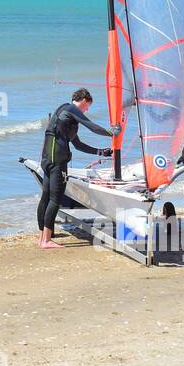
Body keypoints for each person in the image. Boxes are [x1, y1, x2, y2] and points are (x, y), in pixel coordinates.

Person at [37, 89, 119, 249]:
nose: (87, 109)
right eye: (87, 106)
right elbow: (92, 127)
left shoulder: (64, 114)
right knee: (55, 198)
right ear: (83, 99)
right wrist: (112, 132)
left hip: (47, 158)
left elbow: (78, 145)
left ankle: (42, 238)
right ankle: (46, 240)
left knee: (46, 197)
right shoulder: (72, 109)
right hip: (57, 159)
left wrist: (100, 152)